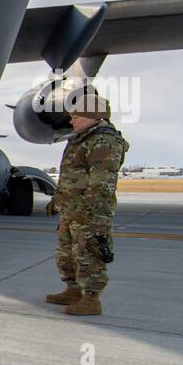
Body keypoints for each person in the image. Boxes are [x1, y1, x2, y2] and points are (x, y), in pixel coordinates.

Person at [45, 85, 129, 316]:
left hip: (90, 213)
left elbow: (101, 184)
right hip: (72, 210)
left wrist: (90, 213)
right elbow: (72, 176)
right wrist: (58, 199)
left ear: (94, 116)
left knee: (88, 253)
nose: (72, 121)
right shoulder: (81, 139)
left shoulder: (104, 142)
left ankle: (91, 299)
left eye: (77, 116)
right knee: (66, 252)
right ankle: (73, 290)